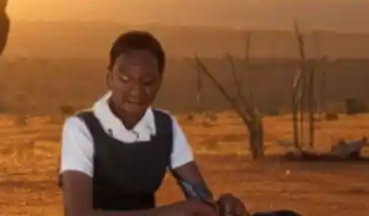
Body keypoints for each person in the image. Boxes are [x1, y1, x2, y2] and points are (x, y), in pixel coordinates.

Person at [59, 30, 249, 216]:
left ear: (160, 81)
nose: (137, 92)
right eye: (125, 79)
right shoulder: (81, 128)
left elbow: (199, 197)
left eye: (148, 82)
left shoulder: (165, 126)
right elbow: (77, 213)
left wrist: (221, 206)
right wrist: (171, 213)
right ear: (110, 78)